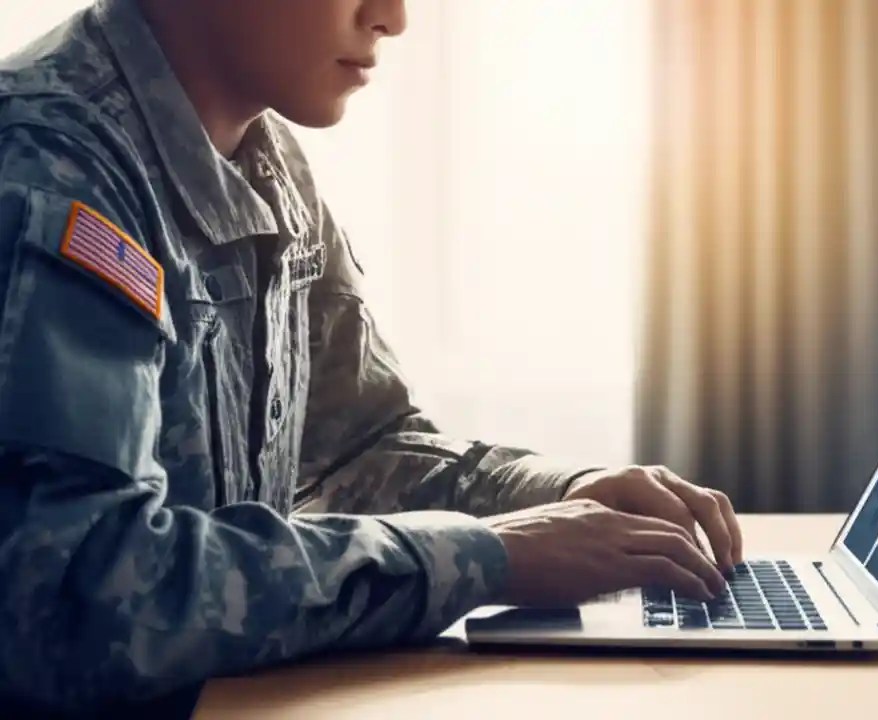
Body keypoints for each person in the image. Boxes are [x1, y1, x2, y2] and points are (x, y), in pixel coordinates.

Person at [0, 0, 743, 716]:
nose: (394, 16)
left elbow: (357, 451)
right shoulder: (51, 166)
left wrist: (565, 493)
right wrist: (488, 559)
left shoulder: (266, 161)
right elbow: (80, 597)